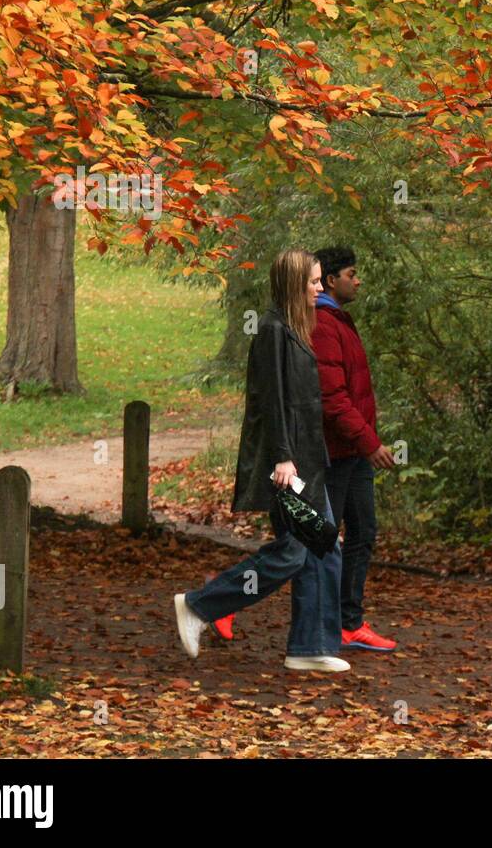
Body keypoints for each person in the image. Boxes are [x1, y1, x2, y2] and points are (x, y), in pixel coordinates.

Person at [174, 247, 349, 673]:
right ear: (293, 284)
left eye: (321, 279)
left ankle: (309, 648)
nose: (320, 287)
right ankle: (199, 605)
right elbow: (271, 402)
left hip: (309, 459)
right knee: (293, 552)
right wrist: (283, 459)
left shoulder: (295, 328)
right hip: (289, 464)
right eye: (312, 281)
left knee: (324, 550)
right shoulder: (273, 331)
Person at [312, 245, 397, 652]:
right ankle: (224, 599)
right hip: (337, 452)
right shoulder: (324, 325)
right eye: (351, 273)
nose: (358, 279)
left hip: (354, 451)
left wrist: (365, 444)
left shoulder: (340, 321)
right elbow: (333, 399)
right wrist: (371, 442)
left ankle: (349, 623)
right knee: (311, 540)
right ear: (332, 280)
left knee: (362, 532)